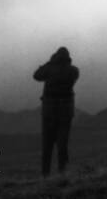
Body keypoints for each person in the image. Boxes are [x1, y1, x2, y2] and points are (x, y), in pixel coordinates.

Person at [33, 46, 79, 177]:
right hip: (66, 113)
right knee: (62, 145)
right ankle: (63, 173)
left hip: (49, 112)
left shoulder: (49, 69)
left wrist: (50, 62)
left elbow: (36, 75)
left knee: (47, 146)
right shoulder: (74, 71)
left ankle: (45, 175)